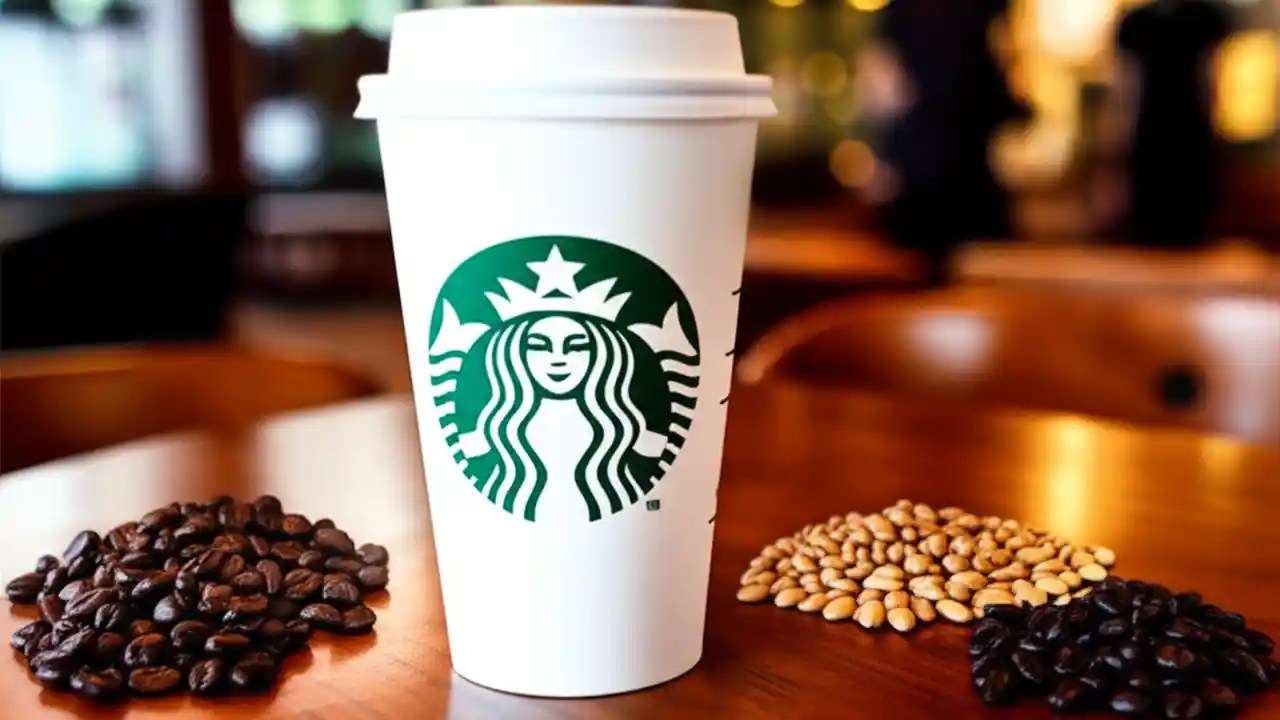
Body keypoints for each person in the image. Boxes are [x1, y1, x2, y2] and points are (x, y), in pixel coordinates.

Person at [865, 0, 1027, 284]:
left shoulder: (901, 11)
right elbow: (1002, 81)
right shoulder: (980, 13)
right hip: (966, 183)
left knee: (913, 287)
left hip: (921, 176)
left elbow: (884, 92)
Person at [1116, 0, 1230, 247]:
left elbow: (1210, 76)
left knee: (1189, 222)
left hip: (1189, 132)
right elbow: (1126, 86)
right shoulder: (1136, 22)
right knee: (1150, 223)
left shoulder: (1203, 17)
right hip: (1151, 131)